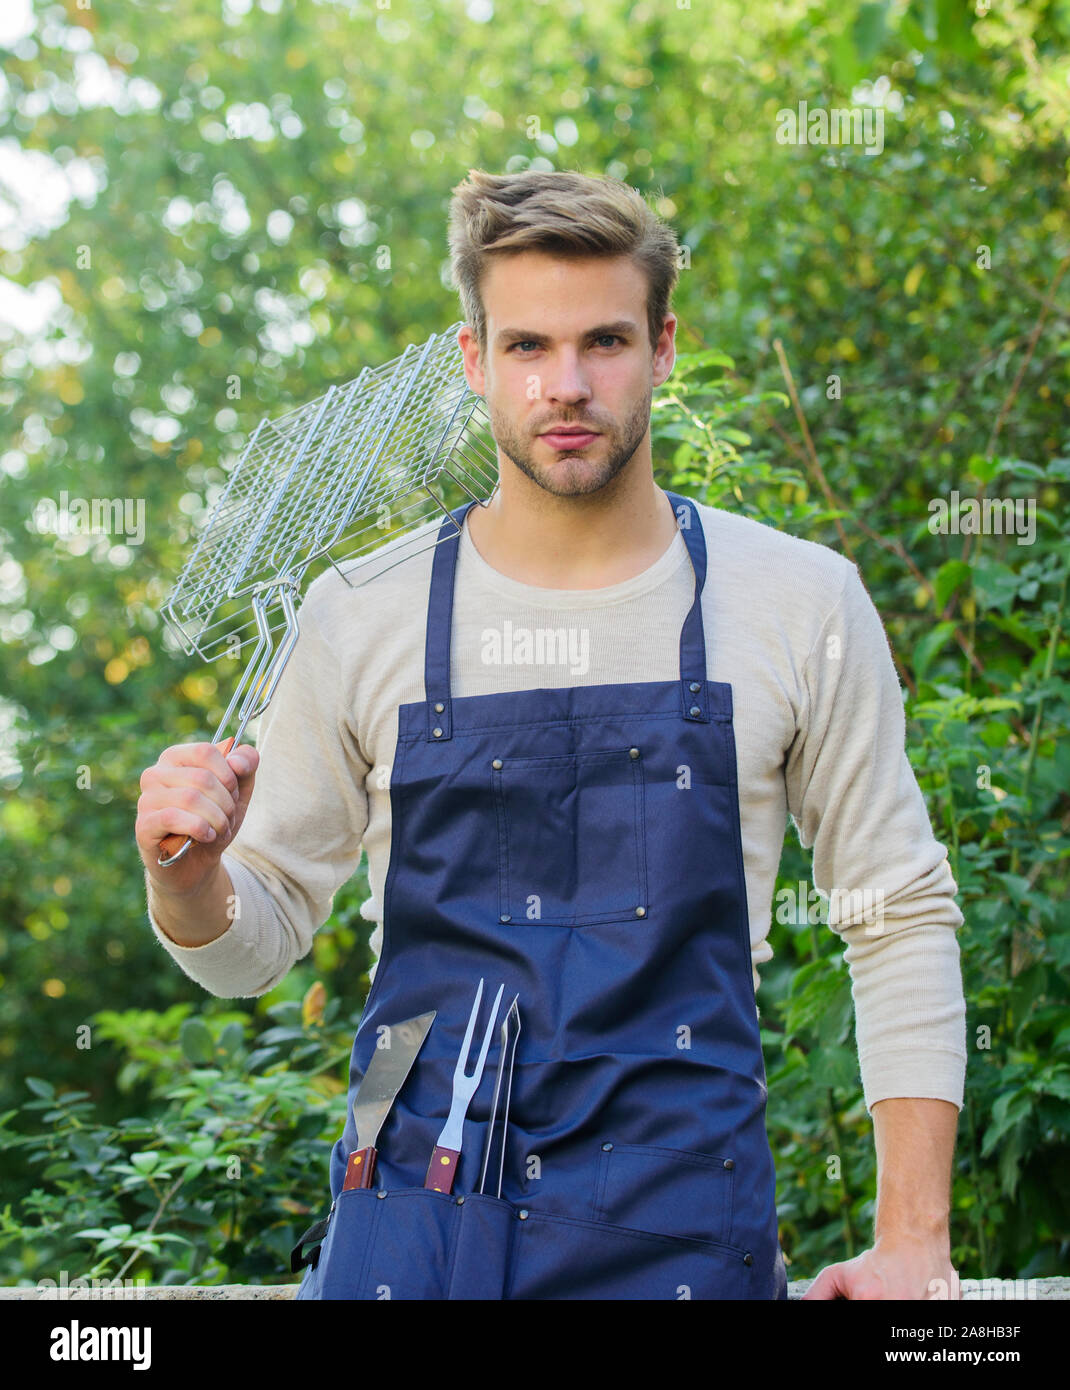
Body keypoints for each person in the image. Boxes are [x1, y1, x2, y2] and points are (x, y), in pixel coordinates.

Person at [135, 168, 965, 1300]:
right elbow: (255, 942)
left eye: (604, 343)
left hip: (679, 1233)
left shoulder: (796, 602)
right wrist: (187, 880)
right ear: (473, 361)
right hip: (406, 1227)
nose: (565, 386)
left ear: (663, 346)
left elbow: (894, 908)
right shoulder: (360, 611)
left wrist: (913, 1241)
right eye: (525, 346)